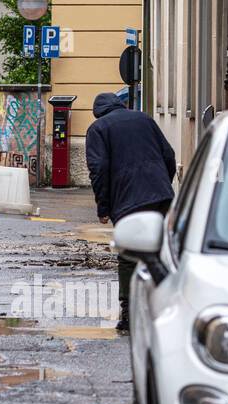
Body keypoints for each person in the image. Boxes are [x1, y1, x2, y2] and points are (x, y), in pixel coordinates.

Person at [86, 91, 177, 333]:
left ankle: (129, 313)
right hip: (161, 196)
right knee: (162, 250)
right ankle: (169, 307)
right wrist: (162, 187)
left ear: (99, 112)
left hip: (128, 201)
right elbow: (169, 155)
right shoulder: (144, 119)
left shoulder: (98, 129)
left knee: (129, 254)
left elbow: (99, 170)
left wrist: (103, 207)